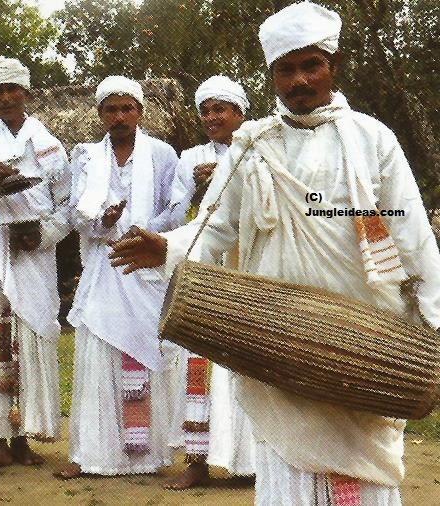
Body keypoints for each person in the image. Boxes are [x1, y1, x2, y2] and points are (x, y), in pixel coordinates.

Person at [110, 2, 440, 504]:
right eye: (287, 69)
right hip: (274, 333)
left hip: (363, 331)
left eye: (312, 65)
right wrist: (169, 246)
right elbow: (215, 227)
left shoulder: (374, 140)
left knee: (362, 456)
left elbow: (412, 234)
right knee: (289, 460)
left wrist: (434, 321)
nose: (300, 79)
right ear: (272, 76)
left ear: (333, 66)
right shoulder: (251, 144)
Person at [54, 76, 182, 479]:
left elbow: (176, 208)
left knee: (145, 354)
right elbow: (76, 211)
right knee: (96, 359)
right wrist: (101, 221)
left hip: (143, 268)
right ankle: (89, 454)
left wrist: (141, 232)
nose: (120, 116)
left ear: (140, 112)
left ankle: (147, 455)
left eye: (127, 108)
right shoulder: (88, 157)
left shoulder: (162, 155)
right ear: (100, 115)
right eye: (112, 109)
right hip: (104, 266)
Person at [0, 56, 71, 471]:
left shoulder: (50, 146)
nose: (6, 97)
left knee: (30, 332)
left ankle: (24, 436)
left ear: (26, 93)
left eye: (13, 90)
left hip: (32, 253)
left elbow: (67, 207)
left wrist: (42, 235)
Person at [165, 75, 256, 490]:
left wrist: (228, 176)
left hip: (248, 269)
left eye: (220, 109)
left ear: (239, 113)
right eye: (205, 110)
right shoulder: (189, 158)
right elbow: (177, 211)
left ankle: (249, 462)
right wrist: (203, 187)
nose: (211, 117)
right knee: (198, 360)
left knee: (246, 365)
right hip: (204, 263)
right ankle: (197, 461)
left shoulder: (257, 151)